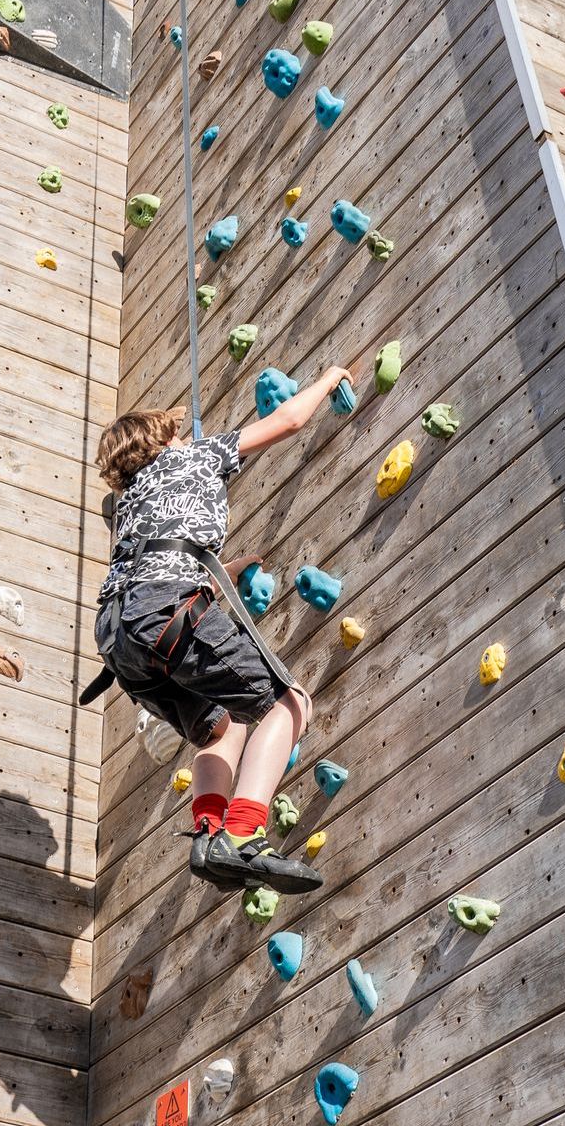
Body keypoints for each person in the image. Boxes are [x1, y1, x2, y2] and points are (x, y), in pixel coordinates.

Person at [92, 366, 352, 891]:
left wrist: (220, 576)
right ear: (165, 440)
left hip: (117, 636)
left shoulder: (129, 504)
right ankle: (243, 834)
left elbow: (155, 567)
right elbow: (288, 420)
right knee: (290, 703)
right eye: (176, 432)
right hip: (163, 610)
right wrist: (329, 378)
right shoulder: (195, 455)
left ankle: (209, 833)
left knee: (223, 725)